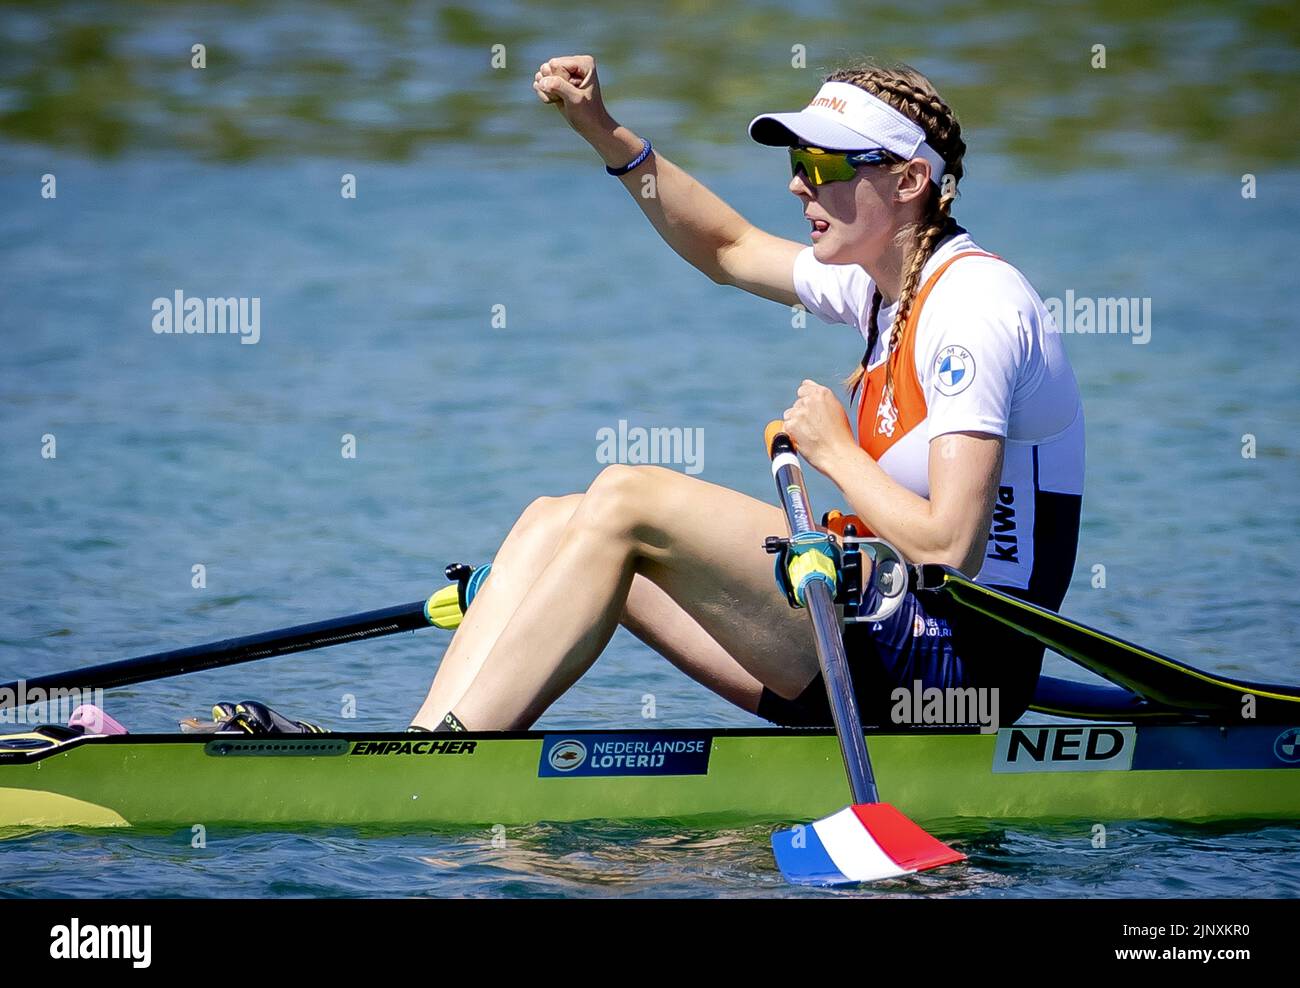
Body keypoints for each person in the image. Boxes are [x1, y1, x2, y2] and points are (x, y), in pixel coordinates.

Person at [408, 55, 1083, 733]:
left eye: (826, 165)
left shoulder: (973, 307)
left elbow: (948, 551)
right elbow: (726, 248)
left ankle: (457, 761)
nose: (797, 184)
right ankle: (426, 740)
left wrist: (837, 453)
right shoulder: (882, 288)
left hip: (960, 677)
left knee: (627, 497)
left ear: (909, 179)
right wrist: (602, 130)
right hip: (873, 629)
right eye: (797, 160)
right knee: (557, 521)